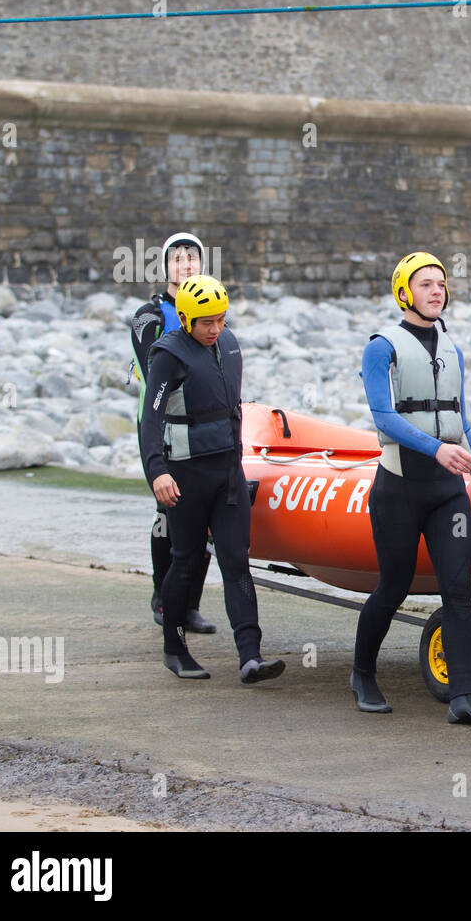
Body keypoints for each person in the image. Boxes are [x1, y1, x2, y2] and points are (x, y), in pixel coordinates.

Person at [351, 251, 471, 725]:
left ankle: (462, 698)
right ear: (404, 292)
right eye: (425, 284)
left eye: (440, 283)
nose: (436, 290)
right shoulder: (382, 347)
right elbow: (384, 418)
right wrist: (436, 450)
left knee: (457, 592)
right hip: (398, 489)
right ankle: (362, 675)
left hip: (446, 494)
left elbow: (460, 423)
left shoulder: (451, 348)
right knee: (392, 587)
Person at [140, 275, 285, 684]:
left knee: (237, 560)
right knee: (185, 560)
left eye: (220, 320)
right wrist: (157, 471)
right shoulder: (168, 354)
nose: (215, 328)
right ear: (186, 319)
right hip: (184, 475)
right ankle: (174, 648)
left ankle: (250, 656)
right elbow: (151, 418)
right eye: (206, 322)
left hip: (227, 474)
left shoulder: (229, 344)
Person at [129, 232, 213, 633]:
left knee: (207, 513)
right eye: (178, 260)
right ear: (166, 268)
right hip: (161, 425)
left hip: (204, 425)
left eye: (192, 259)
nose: (186, 265)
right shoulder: (148, 316)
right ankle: (164, 599)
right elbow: (155, 371)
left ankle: (190, 604)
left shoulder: (210, 312)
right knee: (169, 512)